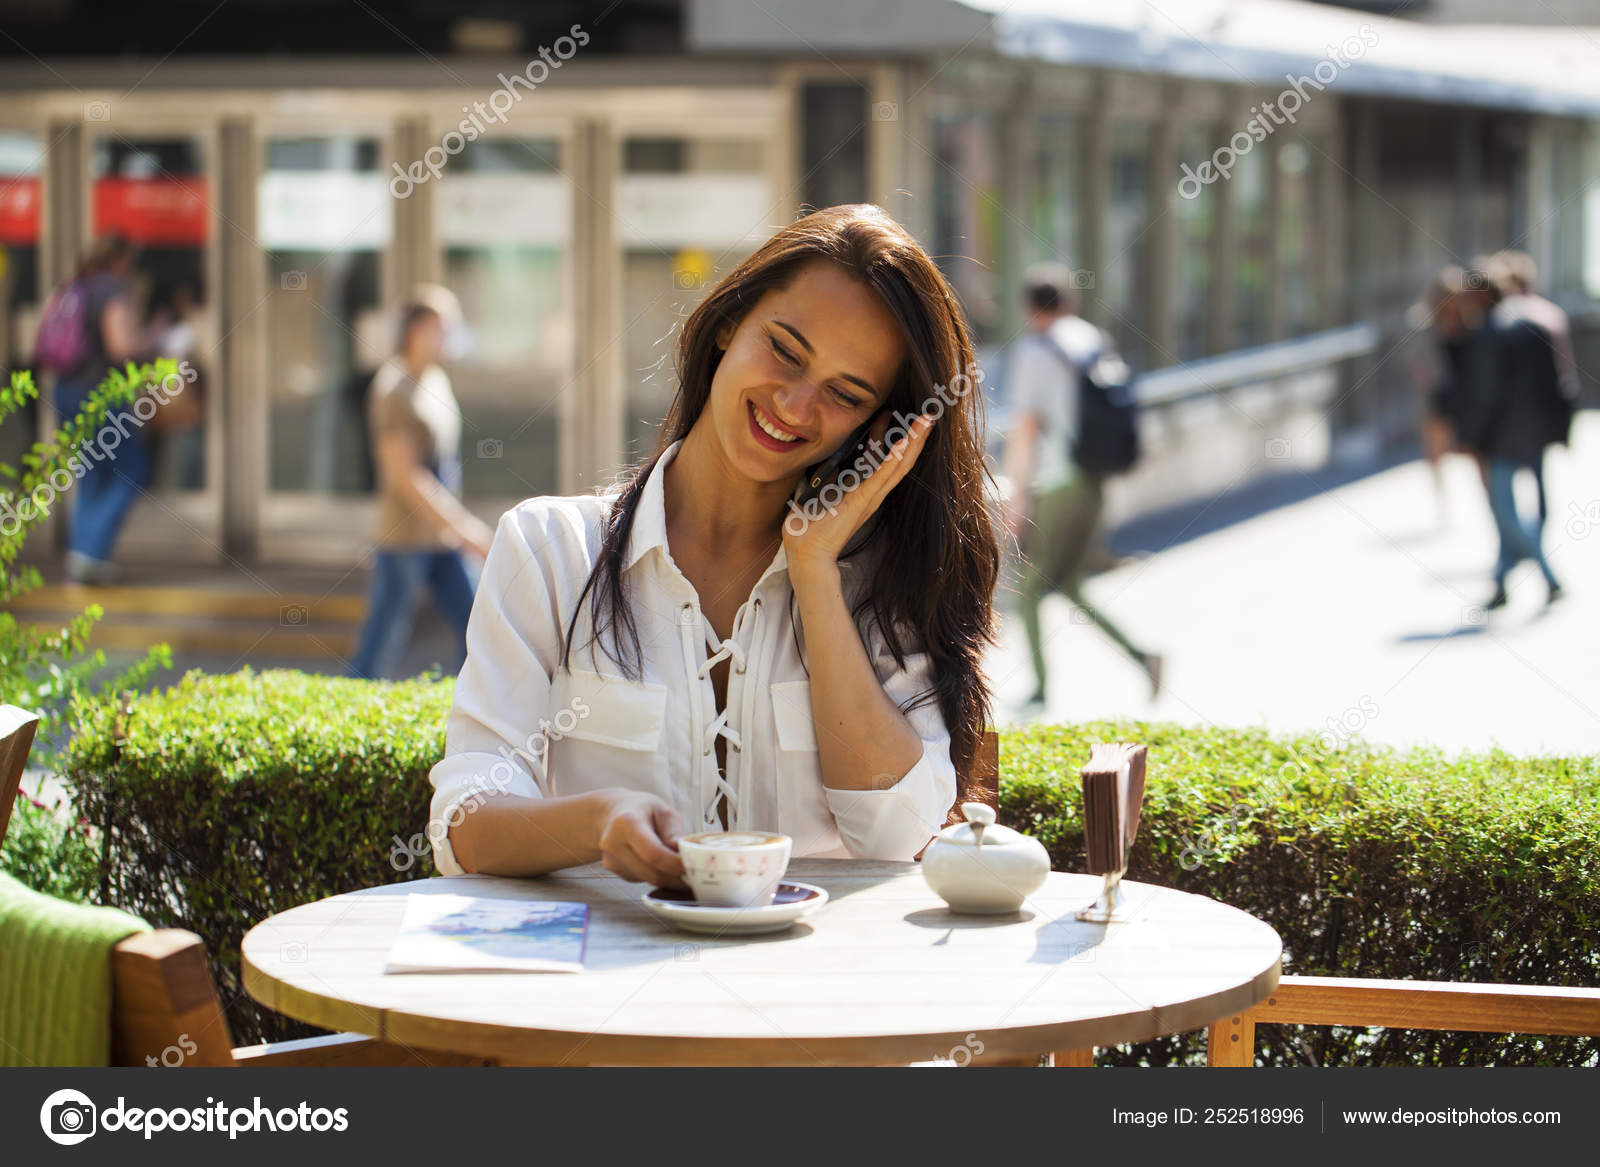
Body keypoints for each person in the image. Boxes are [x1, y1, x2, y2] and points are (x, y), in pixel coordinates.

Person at [425, 204, 999, 886]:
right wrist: (598, 822)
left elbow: (898, 834)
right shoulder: (550, 550)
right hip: (599, 986)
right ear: (729, 321)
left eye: (844, 394)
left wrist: (814, 571)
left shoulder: (877, 582)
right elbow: (464, 821)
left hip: (811, 986)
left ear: (880, 432)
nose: (794, 403)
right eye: (784, 350)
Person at [1001, 263, 1161, 708]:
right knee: (1069, 582)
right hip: (1093, 476)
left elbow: (1027, 427)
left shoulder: (1035, 350)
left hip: (1058, 479)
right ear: (1068, 302)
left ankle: (1038, 691)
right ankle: (1142, 656)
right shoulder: (1091, 338)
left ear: (1029, 309)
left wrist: (1016, 498)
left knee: (1030, 589)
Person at [347, 285, 495, 680]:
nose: (451, 336)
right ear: (416, 330)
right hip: (405, 537)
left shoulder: (436, 379)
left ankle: (473, 719)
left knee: (479, 628)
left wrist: (452, 530)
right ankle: (344, 725)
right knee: (379, 647)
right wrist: (464, 528)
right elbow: (405, 475)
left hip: (440, 539)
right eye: (443, 327)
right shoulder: (393, 388)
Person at [1456, 254, 1573, 610]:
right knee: (1515, 510)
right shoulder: (1531, 322)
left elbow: (1485, 393)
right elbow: (1557, 383)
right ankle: (1501, 584)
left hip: (1503, 437)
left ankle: (1546, 575)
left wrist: (1472, 437)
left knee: (1505, 511)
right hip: (1531, 432)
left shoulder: (1491, 331)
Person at [47, 235, 142, 584]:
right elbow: (121, 348)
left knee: (90, 473)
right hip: (101, 392)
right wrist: (150, 342)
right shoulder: (112, 291)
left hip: (66, 390)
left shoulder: (72, 288)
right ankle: (90, 552)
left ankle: (81, 553)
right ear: (119, 259)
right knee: (130, 471)